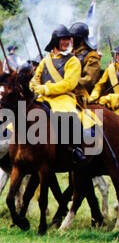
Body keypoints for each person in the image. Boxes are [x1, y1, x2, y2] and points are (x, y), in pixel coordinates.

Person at [31, 24, 98, 164]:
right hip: (44, 97)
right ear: (55, 41)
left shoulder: (73, 61)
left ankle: (74, 148)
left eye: (68, 39)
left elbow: (69, 84)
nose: (67, 42)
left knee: (67, 114)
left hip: (64, 97)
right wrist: (35, 87)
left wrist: (46, 89)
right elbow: (35, 79)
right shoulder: (45, 60)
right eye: (63, 39)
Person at [69, 21, 103, 103]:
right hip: (67, 91)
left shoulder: (91, 56)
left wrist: (69, 83)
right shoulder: (70, 54)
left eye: (73, 37)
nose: (71, 40)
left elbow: (89, 80)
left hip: (83, 95)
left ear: (80, 40)